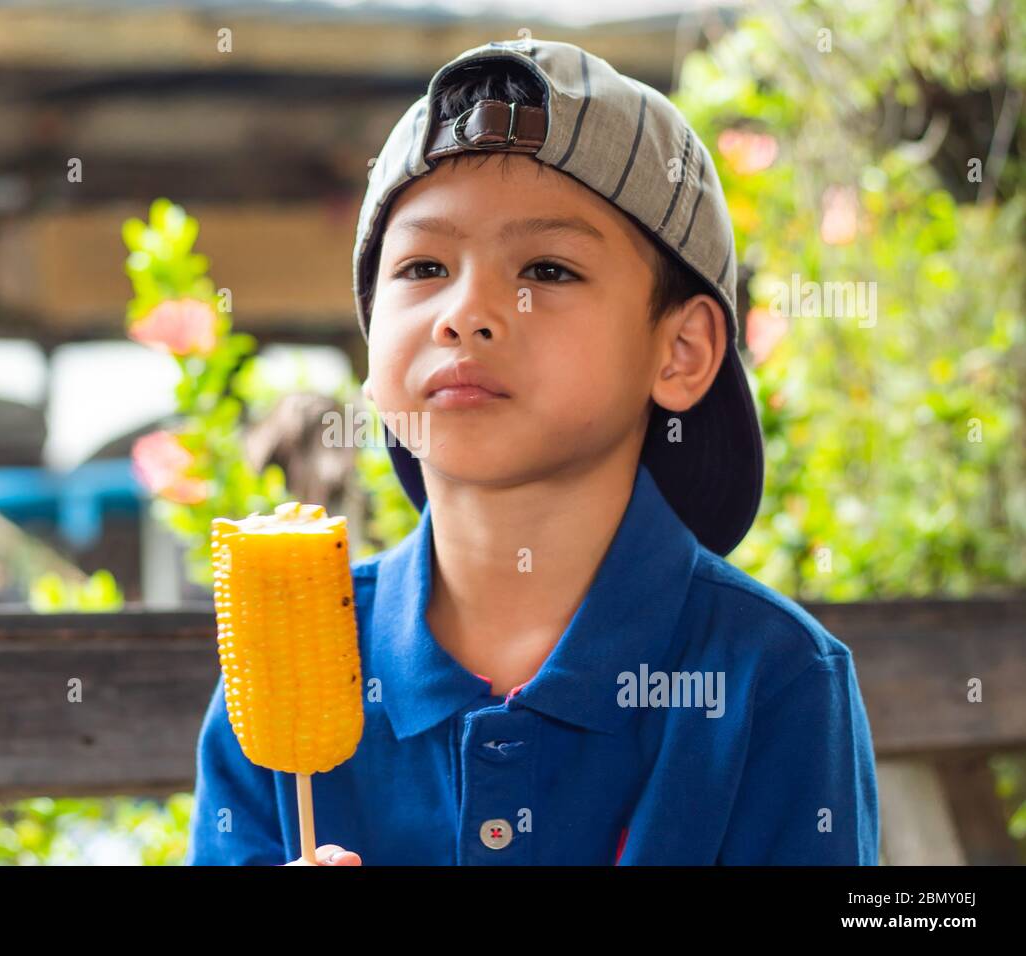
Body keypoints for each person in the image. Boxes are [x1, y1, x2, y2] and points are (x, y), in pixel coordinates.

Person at [186, 39, 880, 865]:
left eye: (546, 268)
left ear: (682, 351)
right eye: (424, 266)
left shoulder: (773, 683)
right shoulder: (269, 687)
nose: (467, 311)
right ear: (373, 356)